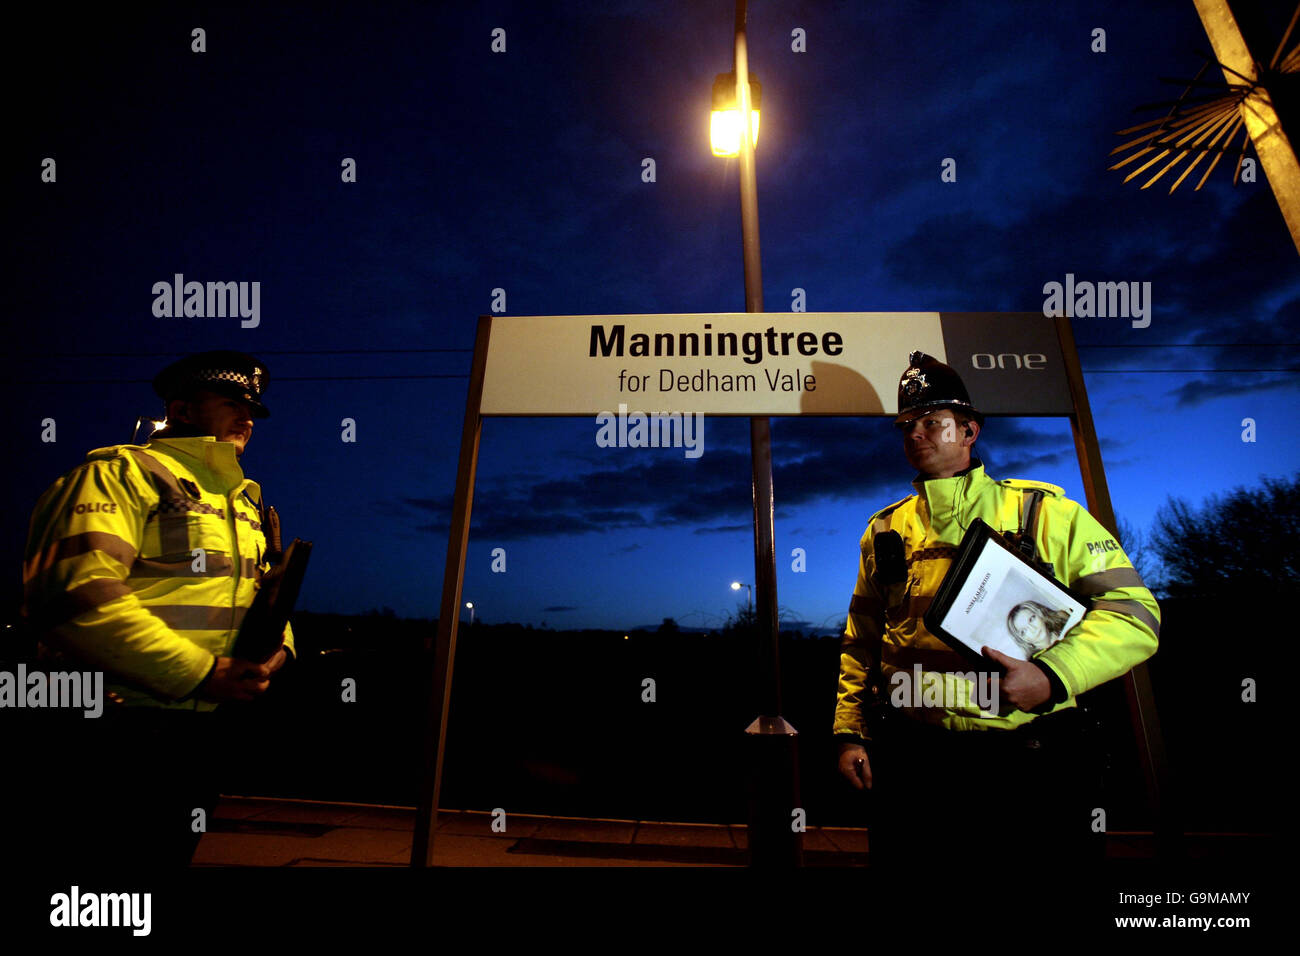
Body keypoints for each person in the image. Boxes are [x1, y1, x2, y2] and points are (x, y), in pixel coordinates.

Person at [833, 351, 1159, 864]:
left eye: (931, 422)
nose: (915, 434)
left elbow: (1134, 615)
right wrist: (851, 734)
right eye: (906, 425)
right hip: (914, 762)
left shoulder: (1044, 512)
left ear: (969, 431)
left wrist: (1053, 676)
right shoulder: (883, 529)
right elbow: (861, 639)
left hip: (1028, 762)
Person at [16, 350, 296, 869]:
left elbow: (262, 597)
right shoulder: (119, 474)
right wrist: (200, 673)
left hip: (200, 733)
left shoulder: (244, 500)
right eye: (232, 403)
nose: (247, 417)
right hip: (108, 732)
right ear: (183, 409)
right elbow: (73, 596)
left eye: (253, 408)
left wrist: (274, 658)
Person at [1006, 600, 1072, 657]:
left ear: (1040, 614)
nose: (1033, 629)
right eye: (1024, 631)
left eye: (1031, 619)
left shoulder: (1061, 617)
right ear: (1023, 640)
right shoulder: (1037, 663)